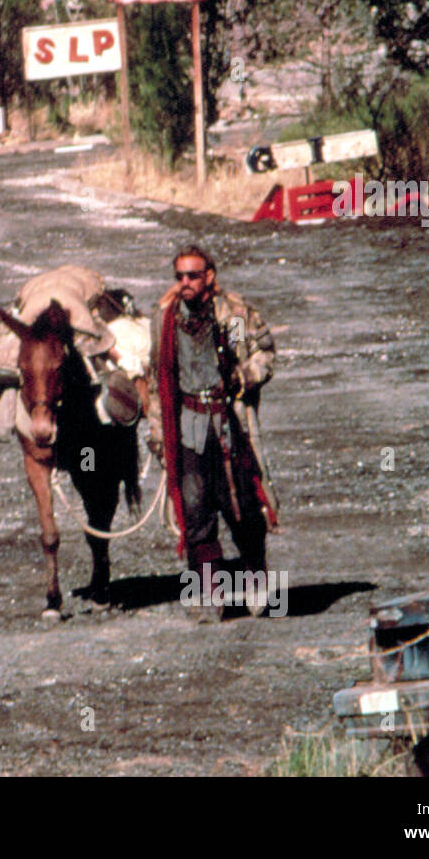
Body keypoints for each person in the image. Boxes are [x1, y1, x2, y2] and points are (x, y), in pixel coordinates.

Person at [140, 245, 279, 621]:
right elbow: (157, 379)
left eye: (193, 276)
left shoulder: (232, 314)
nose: (185, 283)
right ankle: (208, 598)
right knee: (195, 510)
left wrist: (243, 376)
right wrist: (156, 434)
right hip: (186, 424)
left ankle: (256, 584)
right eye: (179, 277)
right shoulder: (165, 319)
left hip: (227, 422)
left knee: (244, 506)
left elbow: (263, 355)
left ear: (209, 277)